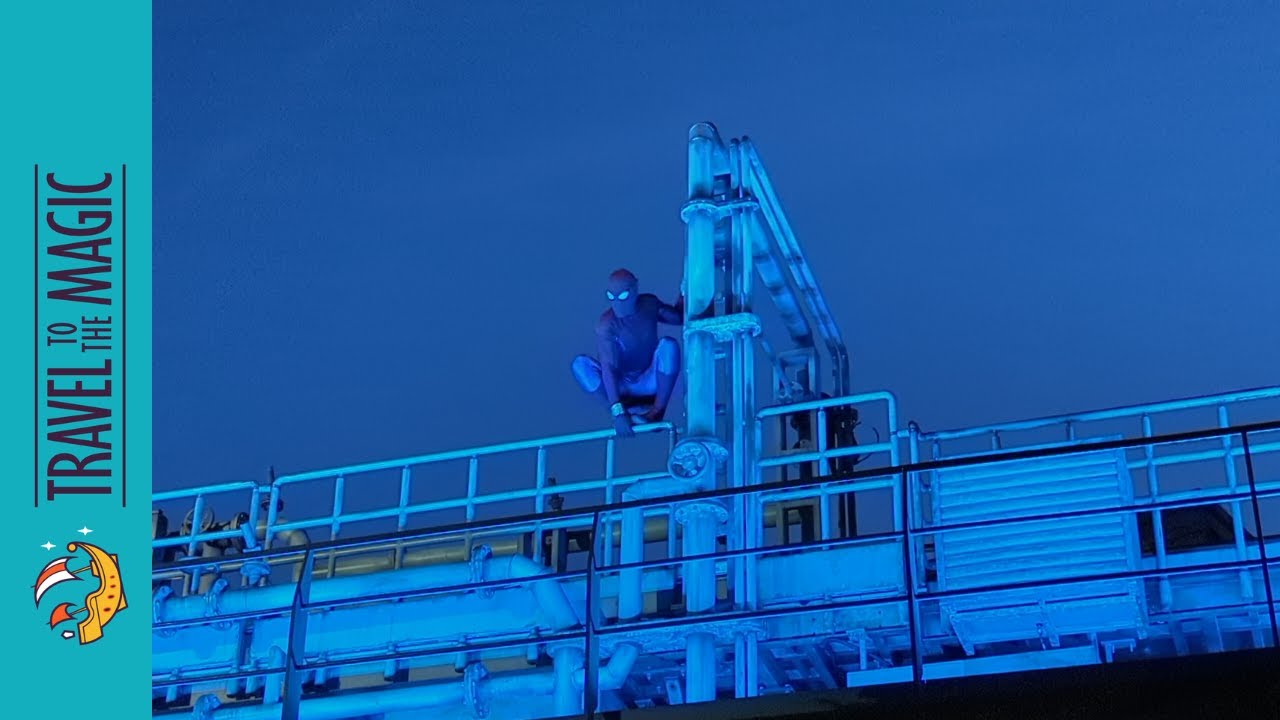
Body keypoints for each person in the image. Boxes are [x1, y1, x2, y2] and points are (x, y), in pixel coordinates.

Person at [571, 269, 682, 437]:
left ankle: (657, 412)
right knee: (580, 365)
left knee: (669, 346)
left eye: (623, 296)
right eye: (611, 296)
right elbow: (608, 367)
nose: (617, 303)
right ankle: (623, 414)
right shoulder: (607, 325)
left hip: (649, 378)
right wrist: (617, 411)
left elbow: (679, 317)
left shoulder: (649, 304)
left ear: (635, 289)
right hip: (621, 385)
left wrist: (686, 289)